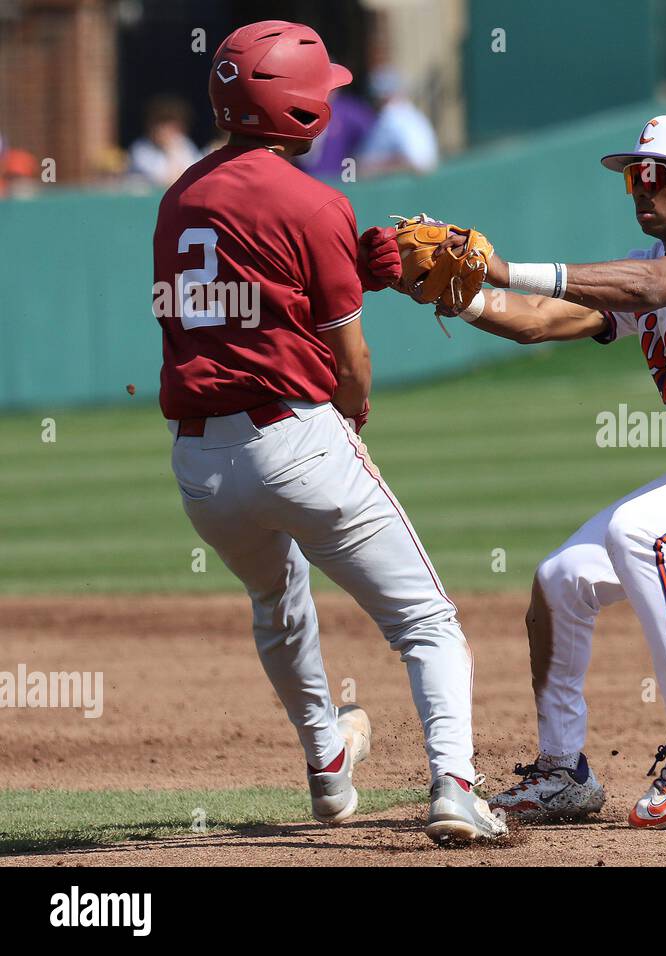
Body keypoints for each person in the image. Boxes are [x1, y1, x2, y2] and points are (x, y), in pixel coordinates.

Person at [362, 115, 666, 828]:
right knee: (562, 580)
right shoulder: (639, 269)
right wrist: (453, 292)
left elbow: (656, 286)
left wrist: (498, 264)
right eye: (633, 176)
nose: (641, 189)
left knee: (642, 533)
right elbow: (535, 319)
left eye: (658, 175)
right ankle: (563, 772)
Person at [152, 19, 505, 842]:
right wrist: (351, 413)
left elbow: (250, 297)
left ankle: (326, 761)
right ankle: (454, 787)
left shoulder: (177, 200)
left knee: (277, 602)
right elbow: (350, 359)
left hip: (202, 466)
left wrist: (349, 256)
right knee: (426, 624)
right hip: (295, 439)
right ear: (301, 109)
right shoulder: (315, 201)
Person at [356, 66, 438, 177]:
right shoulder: (409, 113)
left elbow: (416, 161)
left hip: (403, 186)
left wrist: (370, 167)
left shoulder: (392, 116)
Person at [295, 89, 376, 182]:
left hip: (339, 183)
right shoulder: (294, 110)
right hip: (302, 183)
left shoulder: (352, 112)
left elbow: (369, 153)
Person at [129, 96, 202, 188]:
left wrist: (172, 150)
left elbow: (195, 175)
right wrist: (169, 150)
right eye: (161, 124)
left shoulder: (185, 144)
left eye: (171, 124)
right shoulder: (141, 148)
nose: (165, 130)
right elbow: (163, 179)